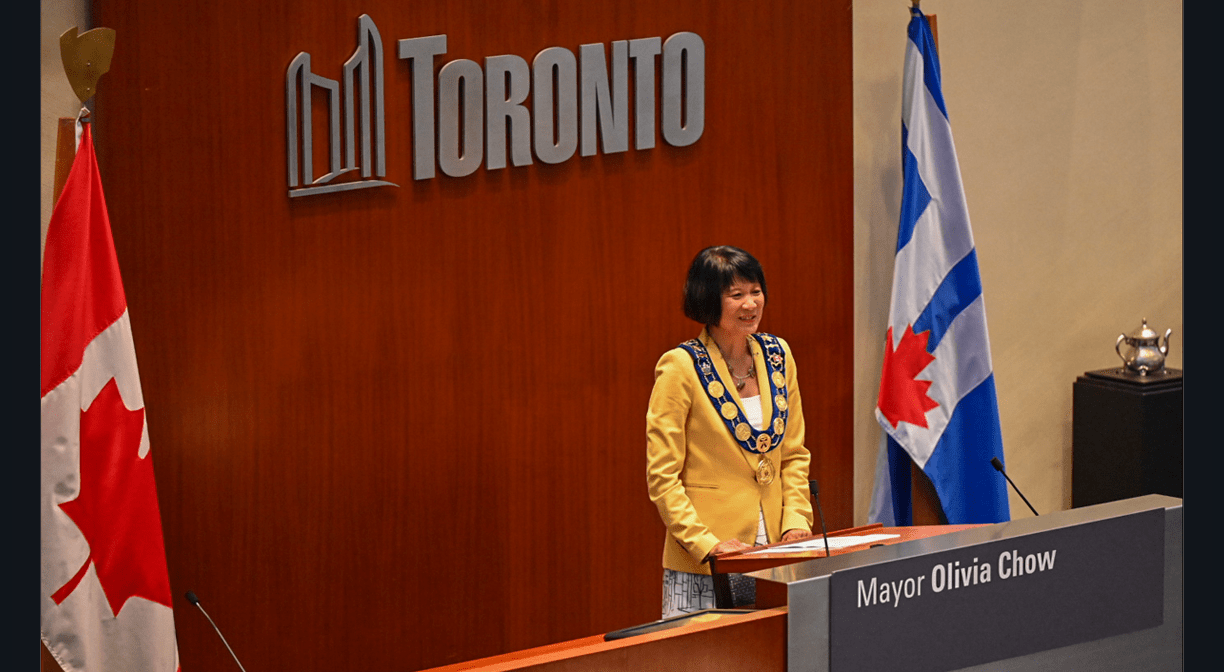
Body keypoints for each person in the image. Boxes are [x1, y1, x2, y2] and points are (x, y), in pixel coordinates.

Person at [647, 246, 814, 618]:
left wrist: (796, 523)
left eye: (755, 291)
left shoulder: (777, 355)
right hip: (707, 558)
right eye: (735, 295)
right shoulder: (680, 367)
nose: (750, 304)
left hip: (774, 553)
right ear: (708, 300)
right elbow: (663, 479)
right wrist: (707, 545)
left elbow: (794, 454)